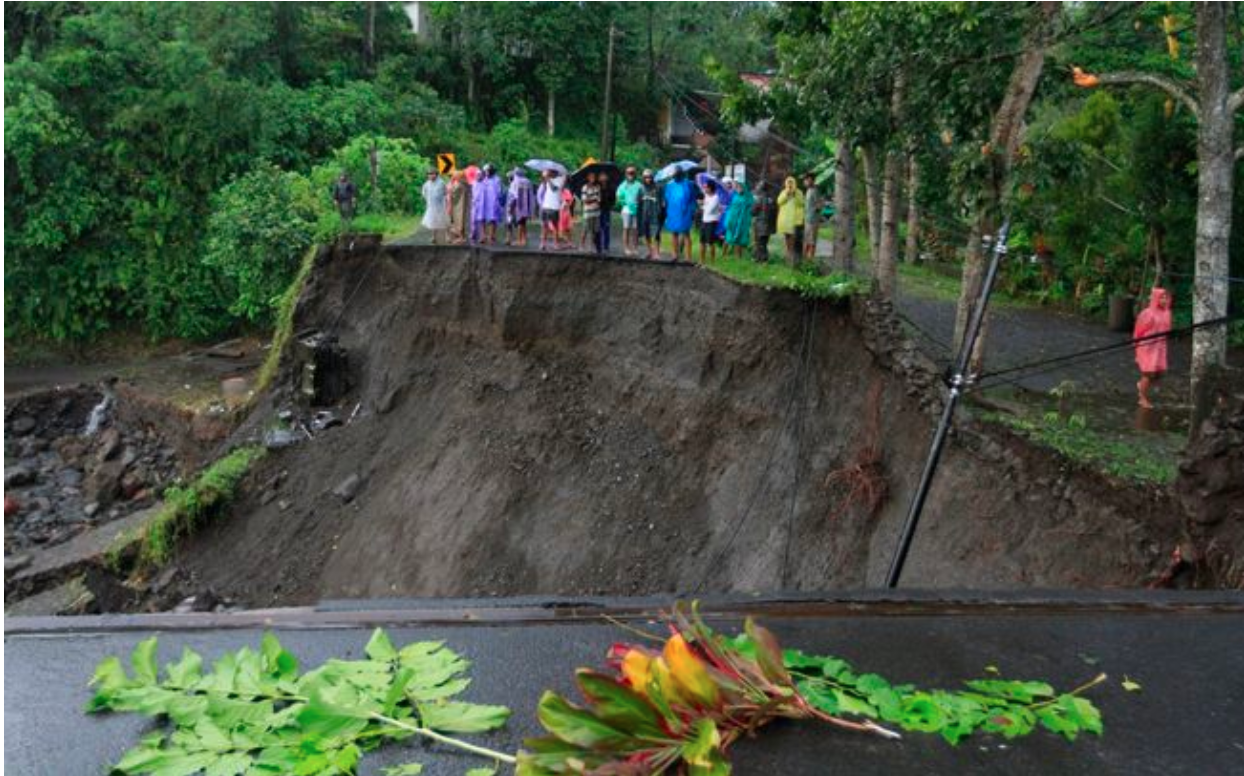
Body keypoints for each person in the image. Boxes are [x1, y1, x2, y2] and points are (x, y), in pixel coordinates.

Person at [1134, 287, 1172, 409]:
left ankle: (1141, 385)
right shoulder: (1147, 313)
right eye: (1161, 297)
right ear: (1155, 298)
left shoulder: (1167, 313)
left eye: (1166, 297)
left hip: (1160, 347)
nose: (1164, 300)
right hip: (1147, 348)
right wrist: (1136, 348)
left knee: (1160, 373)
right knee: (1149, 374)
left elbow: (1167, 330)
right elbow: (1138, 332)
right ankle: (1142, 398)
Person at [663, 169, 696, 262]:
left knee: (686, 233)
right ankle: (674, 255)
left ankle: (688, 257)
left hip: (685, 211)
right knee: (674, 233)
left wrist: (692, 210)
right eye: (674, 176)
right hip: (673, 211)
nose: (675, 177)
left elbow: (693, 198)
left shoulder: (689, 184)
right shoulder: (669, 185)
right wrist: (666, 209)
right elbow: (667, 198)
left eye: (677, 175)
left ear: (682, 175)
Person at [471, 163, 503, 245]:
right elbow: (478, 186)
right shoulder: (484, 179)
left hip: (493, 202)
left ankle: (492, 236)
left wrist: (497, 201)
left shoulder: (497, 179)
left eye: (487, 171)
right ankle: (483, 236)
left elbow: (498, 192)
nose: (486, 172)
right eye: (485, 171)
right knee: (482, 219)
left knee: (492, 219)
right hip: (484, 202)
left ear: (491, 171)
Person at [776, 176, 805, 266]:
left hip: (795, 221)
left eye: (791, 182)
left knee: (794, 241)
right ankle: (788, 258)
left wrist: (795, 194)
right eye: (788, 183)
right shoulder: (783, 192)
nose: (790, 185)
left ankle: (794, 259)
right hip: (785, 222)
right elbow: (779, 202)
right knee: (787, 241)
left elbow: (801, 203)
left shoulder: (799, 192)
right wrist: (787, 194)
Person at [616, 166, 643, 257]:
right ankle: (626, 248)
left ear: (635, 174)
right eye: (628, 172)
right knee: (626, 229)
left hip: (637, 210)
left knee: (635, 230)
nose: (630, 174)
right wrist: (625, 202)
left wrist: (639, 201)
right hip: (627, 210)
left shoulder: (639, 185)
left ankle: (635, 248)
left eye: (632, 172)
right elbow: (619, 198)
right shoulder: (622, 185)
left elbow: (642, 197)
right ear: (626, 174)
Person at [723, 178, 753, 258]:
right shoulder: (735, 196)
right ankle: (724, 254)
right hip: (733, 219)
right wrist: (729, 219)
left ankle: (738, 257)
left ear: (744, 187)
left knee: (739, 238)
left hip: (742, 220)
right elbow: (731, 208)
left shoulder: (748, 197)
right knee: (728, 237)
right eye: (737, 187)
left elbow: (751, 207)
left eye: (740, 187)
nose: (738, 189)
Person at [637, 169, 663, 260]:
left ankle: (657, 253)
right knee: (646, 234)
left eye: (649, 177)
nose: (648, 179)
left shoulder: (658, 187)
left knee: (656, 234)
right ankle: (650, 252)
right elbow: (638, 202)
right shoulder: (641, 188)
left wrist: (660, 210)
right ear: (643, 178)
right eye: (646, 177)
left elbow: (662, 200)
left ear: (652, 177)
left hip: (655, 214)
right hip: (645, 214)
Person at [507, 168, 536, 247]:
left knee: (520, 222)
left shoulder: (515, 182)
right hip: (527, 206)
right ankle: (524, 239)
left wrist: (510, 207)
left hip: (518, 205)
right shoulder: (528, 181)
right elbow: (531, 194)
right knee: (523, 222)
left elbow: (514, 196)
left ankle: (519, 240)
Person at [536, 169, 564, 252]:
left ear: (554, 172)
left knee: (555, 226)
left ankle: (556, 244)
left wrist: (547, 179)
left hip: (554, 206)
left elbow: (554, 189)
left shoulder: (560, 179)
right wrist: (544, 178)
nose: (549, 172)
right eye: (548, 171)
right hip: (546, 205)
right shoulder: (548, 179)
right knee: (544, 226)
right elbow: (544, 188)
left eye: (550, 171)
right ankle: (543, 244)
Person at [420, 168, 449, 245]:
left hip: (441, 205)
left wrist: (446, 202)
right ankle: (434, 237)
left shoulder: (441, 183)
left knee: (444, 220)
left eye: (433, 174)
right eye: (429, 174)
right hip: (431, 206)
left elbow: (446, 192)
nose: (431, 176)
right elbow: (423, 193)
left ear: (436, 175)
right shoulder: (426, 184)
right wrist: (426, 200)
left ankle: (447, 236)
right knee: (433, 221)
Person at [699, 179, 723, 265]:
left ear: (710, 188)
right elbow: (705, 208)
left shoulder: (716, 198)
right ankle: (702, 261)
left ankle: (712, 262)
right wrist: (703, 204)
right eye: (704, 187)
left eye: (706, 187)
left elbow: (709, 210)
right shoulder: (706, 196)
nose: (704, 188)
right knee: (702, 241)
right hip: (704, 221)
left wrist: (702, 205)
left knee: (710, 242)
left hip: (712, 221)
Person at [751, 180, 775, 263]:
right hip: (769, 224)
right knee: (764, 242)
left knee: (759, 242)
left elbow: (753, 211)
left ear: (761, 188)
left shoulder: (759, 198)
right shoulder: (771, 199)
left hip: (760, 223)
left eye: (758, 186)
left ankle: (761, 259)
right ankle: (763, 258)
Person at [595, 169, 617, 255]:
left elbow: (613, 199)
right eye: (601, 176)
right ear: (599, 177)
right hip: (597, 209)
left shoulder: (611, 187)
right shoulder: (596, 186)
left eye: (604, 176)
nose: (603, 177)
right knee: (598, 228)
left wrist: (610, 204)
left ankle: (606, 246)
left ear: (607, 177)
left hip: (606, 209)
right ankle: (598, 246)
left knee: (606, 227)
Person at [579, 172, 602, 253]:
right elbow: (585, 200)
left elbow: (599, 200)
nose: (593, 178)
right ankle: (581, 245)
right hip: (587, 212)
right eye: (591, 177)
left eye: (594, 177)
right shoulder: (585, 187)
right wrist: (594, 199)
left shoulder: (598, 187)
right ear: (588, 178)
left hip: (596, 212)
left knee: (594, 230)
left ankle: (591, 246)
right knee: (585, 229)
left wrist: (592, 199)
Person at [447, 170, 472, 244]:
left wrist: (451, 184)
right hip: (460, 206)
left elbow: (452, 193)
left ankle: (461, 238)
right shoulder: (464, 184)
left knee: (459, 221)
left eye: (455, 175)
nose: (453, 177)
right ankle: (460, 236)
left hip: (459, 207)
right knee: (459, 221)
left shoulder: (460, 185)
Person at [802, 172, 821, 261]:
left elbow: (819, 205)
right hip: (807, 220)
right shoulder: (808, 190)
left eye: (805, 180)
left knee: (812, 240)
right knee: (806, 240)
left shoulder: (815, 191)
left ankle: (810, 260)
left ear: (810, 180)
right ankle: (805, 259)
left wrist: (814, 212)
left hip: (812, 221)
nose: (804, 182)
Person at [559, 184, 575, 249]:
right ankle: (561, 243)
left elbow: (571, 200)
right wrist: (561, 204)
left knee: (568, 228)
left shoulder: (567, 191)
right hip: (559, 212)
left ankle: (570, 242)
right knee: (560, 228)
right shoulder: (556, 192)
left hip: (567, 212)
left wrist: (567, 203)